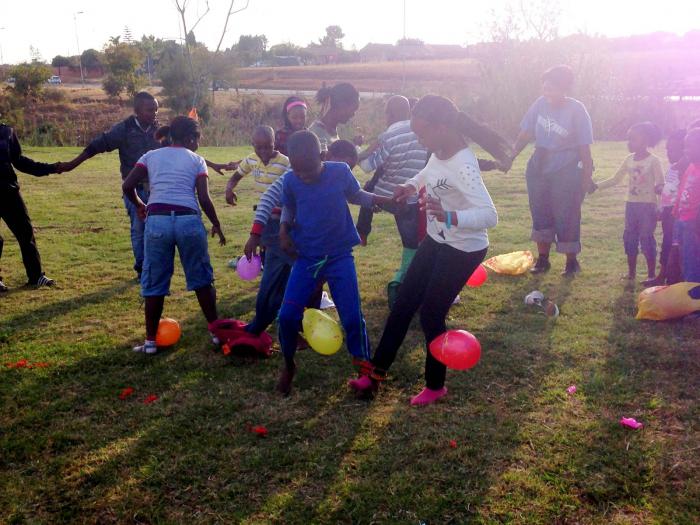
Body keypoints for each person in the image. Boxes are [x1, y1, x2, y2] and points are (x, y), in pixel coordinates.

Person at [349, 95, 507, 406]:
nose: (419, 139)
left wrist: (450, 216)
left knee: (432, 313)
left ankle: (436, 386)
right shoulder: (438, 151)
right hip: (437, 240)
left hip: (464, 249)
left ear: (443, 127)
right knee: (404, 304)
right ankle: (375, 376)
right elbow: (428, 174)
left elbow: (490, 216)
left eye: (422, 133)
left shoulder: (464, 164)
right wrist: (410, 186)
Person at [61, 92, 232, 279]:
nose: (155, 113)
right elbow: (96, 146)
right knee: (139, 227)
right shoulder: (124, 129)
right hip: (135, 188)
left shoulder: (159, 131)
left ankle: (154, 267)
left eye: (156, 109)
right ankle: (142, 268)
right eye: (150, 109)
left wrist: (212, 164)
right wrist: (72, 164)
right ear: (137, 110)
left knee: (154, 229)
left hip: (156, 188)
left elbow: (183, 152)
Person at [275, 131, 391, 395]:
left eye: (308, 169)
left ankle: (365, 373)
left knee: (351, 317)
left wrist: (383, 200)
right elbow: (289, 207)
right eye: (297, 169)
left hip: (339, 257)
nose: (303, 175)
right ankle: (289, 364)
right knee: (287, 316)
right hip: (307, 258)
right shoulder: (291, 180)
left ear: (323, 156)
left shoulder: (339, 172)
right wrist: (283, 230)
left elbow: (357, 195)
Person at [122, 116, 226, 355]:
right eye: (198, 140)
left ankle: (150, 343)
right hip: (188, 220)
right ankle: (216, 334)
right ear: (191, 139)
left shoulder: (150, 156)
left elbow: (127, 186)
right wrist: (216, 223)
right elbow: (203, 198)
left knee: (154, 282)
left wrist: (140, 205)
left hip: (157, 221)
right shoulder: (197, 160)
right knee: (201, 277)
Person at [241, 140, 359, 340]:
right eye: (344, 165)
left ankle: (259, 327)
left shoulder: (327, 175)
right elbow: (267, 200)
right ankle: (293, 326)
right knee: (302, 281)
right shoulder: (295, 176)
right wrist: (255, 234)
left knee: (273, 282)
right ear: (325, 156)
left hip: (284, 234)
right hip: (278, 232)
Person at [504, 65, 594, 276]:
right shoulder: (539, 104)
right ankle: (542, 260)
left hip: (566, 169)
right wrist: (511, 156)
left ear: (564, 88)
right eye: (544, 88)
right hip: (539, 166)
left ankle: (571, 263)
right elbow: (525, 134)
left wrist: (586, 178)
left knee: (567, 215)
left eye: (551, 88)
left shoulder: (577, 110)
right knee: (540, 212)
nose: (547, 93)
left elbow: (584, 148)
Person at [355, 96, 429, 303]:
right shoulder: (421, 131)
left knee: (367, 192)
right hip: (411, 197)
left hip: (386, 194)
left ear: (390, 114)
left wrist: (359, 152)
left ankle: (362, 231)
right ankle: (406, 277)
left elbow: (369, 166)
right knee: (411, 243)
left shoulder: (389, 135)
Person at [0, 123, 69, 292]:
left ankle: (36, 276)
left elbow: (19, 161)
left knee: (25, 232)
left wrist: (51, 168)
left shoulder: (6, 131)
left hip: (9, 192)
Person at [596, 122, 664, 282]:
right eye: (629, 139)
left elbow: (660, 185)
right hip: (631, 205)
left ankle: (651, 275)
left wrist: (660, 207)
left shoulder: (654, 161)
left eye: (633, 139)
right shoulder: (628, 159)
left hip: (648, 207)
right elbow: (615, 179)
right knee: (630, 237)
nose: (629, 142)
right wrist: (596, 186)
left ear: (645, 141)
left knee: (647, 238)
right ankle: (631, 273)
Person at [645, 129, 687, 286]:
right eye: (667, 149)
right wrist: (662, 207)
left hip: (680, 214)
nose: (669, 153)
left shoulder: (687, 170)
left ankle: (675, 277)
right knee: (667, 243)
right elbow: (668, 192)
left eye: (673, 150)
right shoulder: (671, 169)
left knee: (676, 246)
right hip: (668, 214)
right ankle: (661, 275)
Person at [225, 125, 290, 206]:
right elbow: (235, 177)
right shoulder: (251, 160)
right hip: (262, 208)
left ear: (274, 143)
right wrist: (228, 189)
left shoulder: (285, 162)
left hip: (281, 209)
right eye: (259, 148)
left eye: (267, 147)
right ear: (253, 144)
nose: (263, 151)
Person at [674, 128, 700, 283]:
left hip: (694, 223)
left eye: (690, 146)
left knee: (692, 259)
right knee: (684, 257)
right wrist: (676, 212)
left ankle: (694, 295)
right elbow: (682, 189)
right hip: (681, 220)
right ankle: (688, 291)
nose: (686, 150)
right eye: (685, 145)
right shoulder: (691, 167)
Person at [309, 83, 363, 152]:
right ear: (341, 105)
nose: (353, 114)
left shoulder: (332, 131)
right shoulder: (316, 134)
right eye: (353, 109)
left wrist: (354, 145)